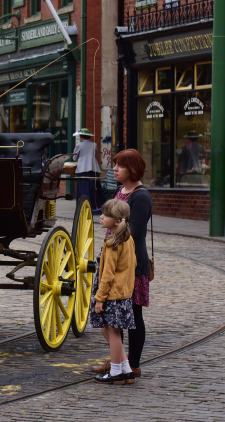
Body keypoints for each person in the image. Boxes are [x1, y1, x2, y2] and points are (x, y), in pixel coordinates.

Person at [92, 148, 152, 379]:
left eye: (120, 166)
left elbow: (132, 234)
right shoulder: (120, 190)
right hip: (114, 261)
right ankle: (119, 361)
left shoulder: (141, 196)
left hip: (131, 266)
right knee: (115, 317)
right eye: (114, 165)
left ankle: (132, 364)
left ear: (133, 169)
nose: (114, 169)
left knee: (133, 315)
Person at [90, 198, 137, 385]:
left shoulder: (112, 243)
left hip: (112, 295)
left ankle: (116, 371)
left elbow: (107, 275)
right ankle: (126, 369)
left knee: (113, 332)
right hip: (124, 294)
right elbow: (132, 265)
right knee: (109, 330)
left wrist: (100, 298)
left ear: (117, 221)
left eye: (105, 215)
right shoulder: (128, 239)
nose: (101, 217)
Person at [73, 128, 103, 209]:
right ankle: (95, 204)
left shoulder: (79, 145)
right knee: (94, 187)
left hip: (82, 168)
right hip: (93, 167)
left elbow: (74, 157)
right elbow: (95, 155)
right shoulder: (94, 144)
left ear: (81, 136)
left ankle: (82, 205)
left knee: (82, 188)